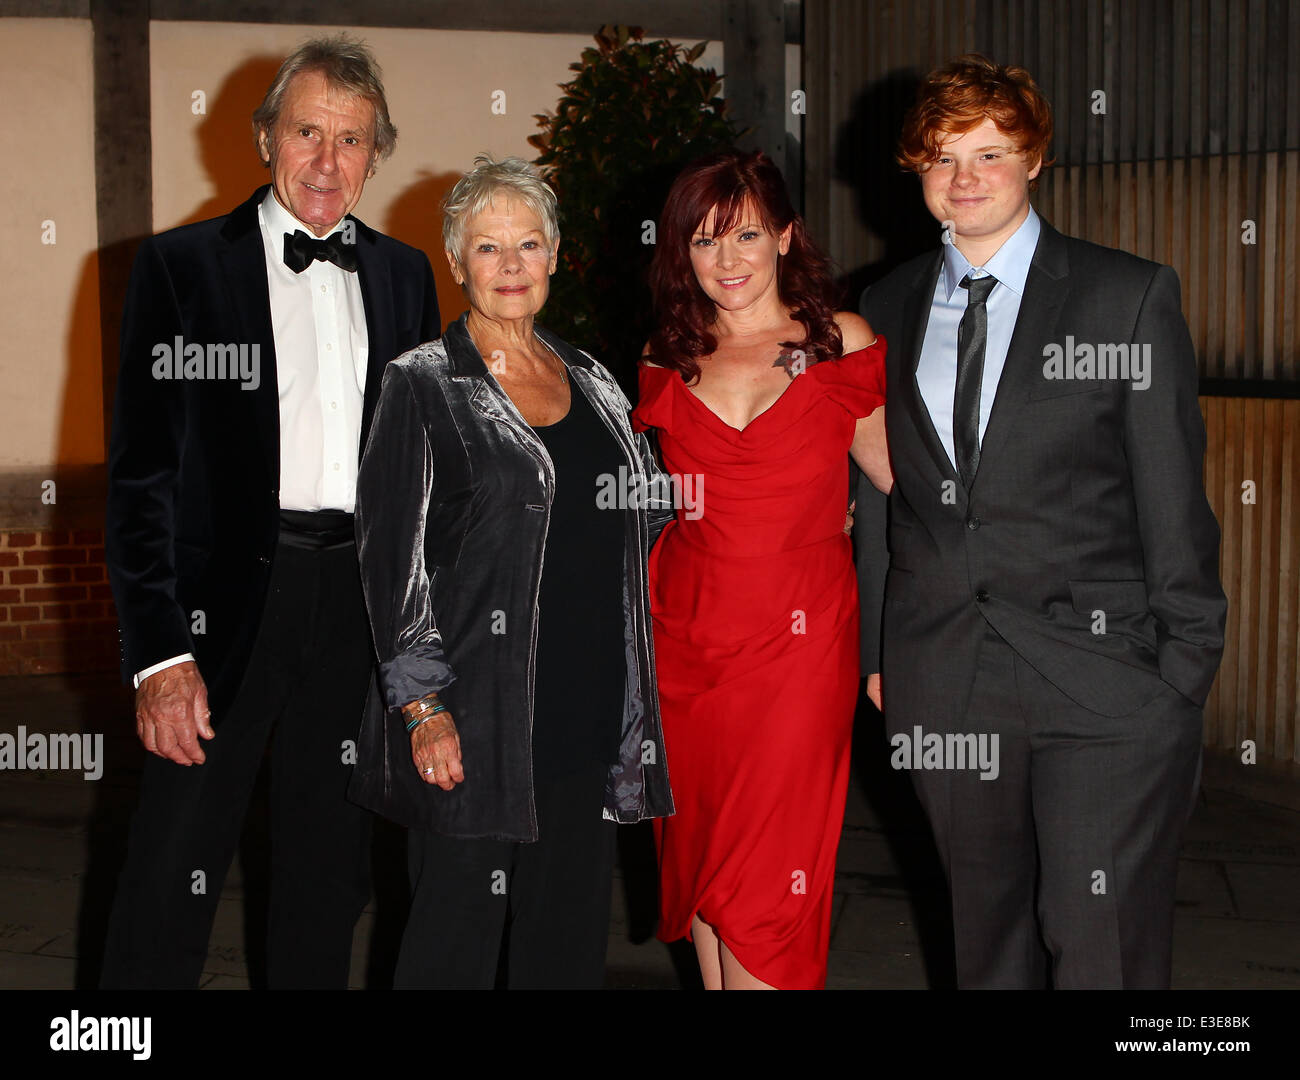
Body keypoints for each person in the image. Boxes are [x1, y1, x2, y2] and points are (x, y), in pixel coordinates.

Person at [854, 54, 1227, 988]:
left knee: (1098, 938)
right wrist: (876, 652)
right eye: (942, 157)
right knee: (987, 945)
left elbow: (1175, 498)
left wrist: (1181, 672)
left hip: (1105, 680)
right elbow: (878, 496)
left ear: (1035, 161)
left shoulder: (1124, 296)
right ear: (917, 171)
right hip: (945, 676)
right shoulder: (883, 306)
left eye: (991, 152)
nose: (965, 177)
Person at [102, 36, 439, 989]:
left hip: (354, 607)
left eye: (352, 140)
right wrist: (160, 655)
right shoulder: (180, 270)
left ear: (376, 155)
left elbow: (414, 470)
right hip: (220, 609)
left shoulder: (405, 275)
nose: (328, 163)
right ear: (264, 140)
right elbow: (141, 483)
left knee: (329, 873)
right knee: (172, 868)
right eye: (307, 133)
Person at [348, 155, 674, 989]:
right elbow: (392, 564)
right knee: (450, 941)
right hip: (475, 718)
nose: (511, 267)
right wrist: (423, 707)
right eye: (488, 249)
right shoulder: (421, 384)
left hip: (589, 709)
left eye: (527, 245)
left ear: (556, 254)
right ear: (457, 262)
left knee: (564, 944)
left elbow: (643, 514)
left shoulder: (597, 380)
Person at [631, 148, 891, 990]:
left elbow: (904, 490)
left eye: (746, 233)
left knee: (768, 886)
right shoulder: (667, 355)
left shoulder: (837, 343)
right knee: (708, 867)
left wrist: (900, 638)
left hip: (798, 646)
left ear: (785, 234)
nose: (728, 260)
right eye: (704, 242)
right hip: (686, 643)